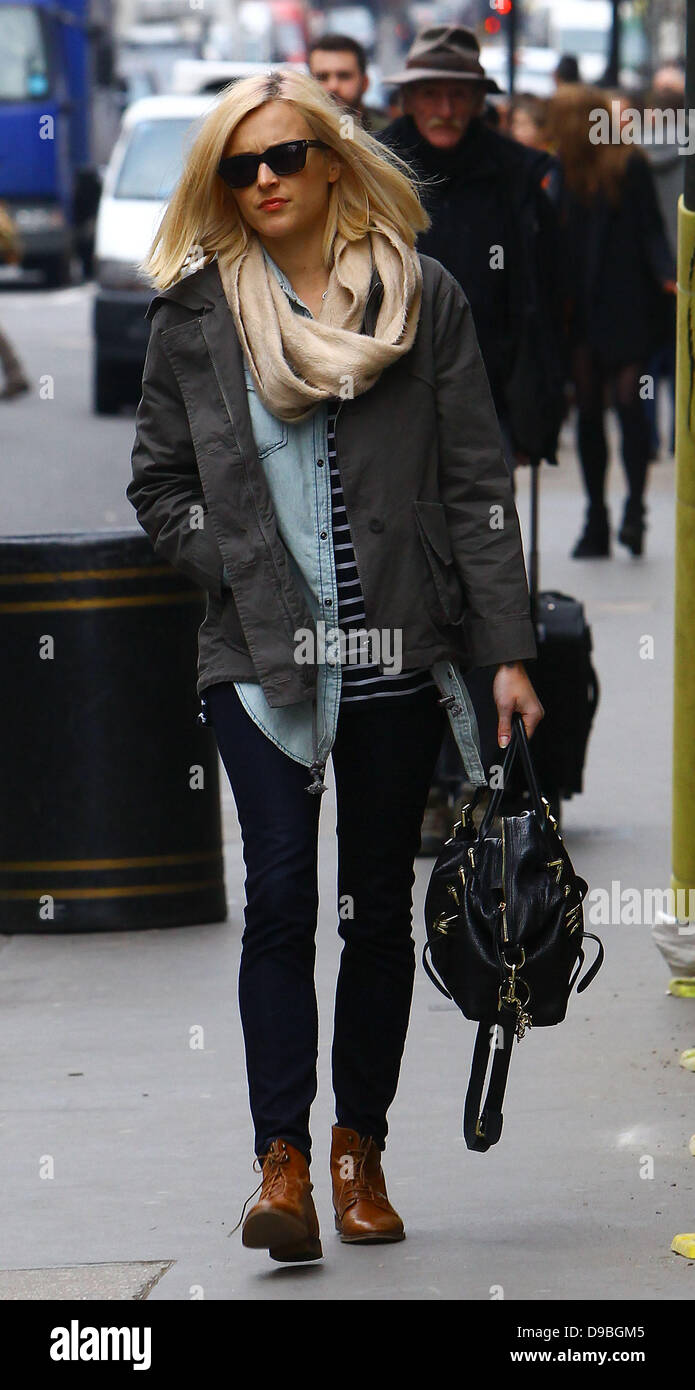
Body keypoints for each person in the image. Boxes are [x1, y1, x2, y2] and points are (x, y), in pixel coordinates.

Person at [126, 68, 543, 1262]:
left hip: (396, 652)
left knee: (371, 912)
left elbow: (475, 487)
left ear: (328, 158)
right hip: (258, 656)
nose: (262, 180)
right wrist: (234, 563)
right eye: (238, 166)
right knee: (277, 904)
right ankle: (284, 1163)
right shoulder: (195, 317)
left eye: (284, 157)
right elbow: (157, 486)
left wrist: (505, 650)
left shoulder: (421, 299)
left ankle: (359, 1147)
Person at [379, 25, 562, 848]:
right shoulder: (375, 168)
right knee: (407, 587)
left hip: (485, 406)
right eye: (430, 93)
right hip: (390, 405)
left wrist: (530, 419)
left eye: (459, 93)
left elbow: (542, 303)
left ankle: (478, 771)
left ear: (479, 100)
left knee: (488, 584)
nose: (445, 108)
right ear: (408, 98)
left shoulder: (519, 176)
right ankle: (421, 771)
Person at [545, 84, 676, 558]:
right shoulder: (561, 171)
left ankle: (634, 509)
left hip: (628, 307)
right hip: (581, 309)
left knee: (630, 405)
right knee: (589, 416)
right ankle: (597, 515)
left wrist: (668, 277)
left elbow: (651, 231)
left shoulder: (629, 164)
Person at [308, 33, 388, 132]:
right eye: (322, 77)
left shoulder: (389, 136)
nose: (333, 86)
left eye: (344, 76)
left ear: (365, 83)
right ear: (308, 83)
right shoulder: (296, 134)